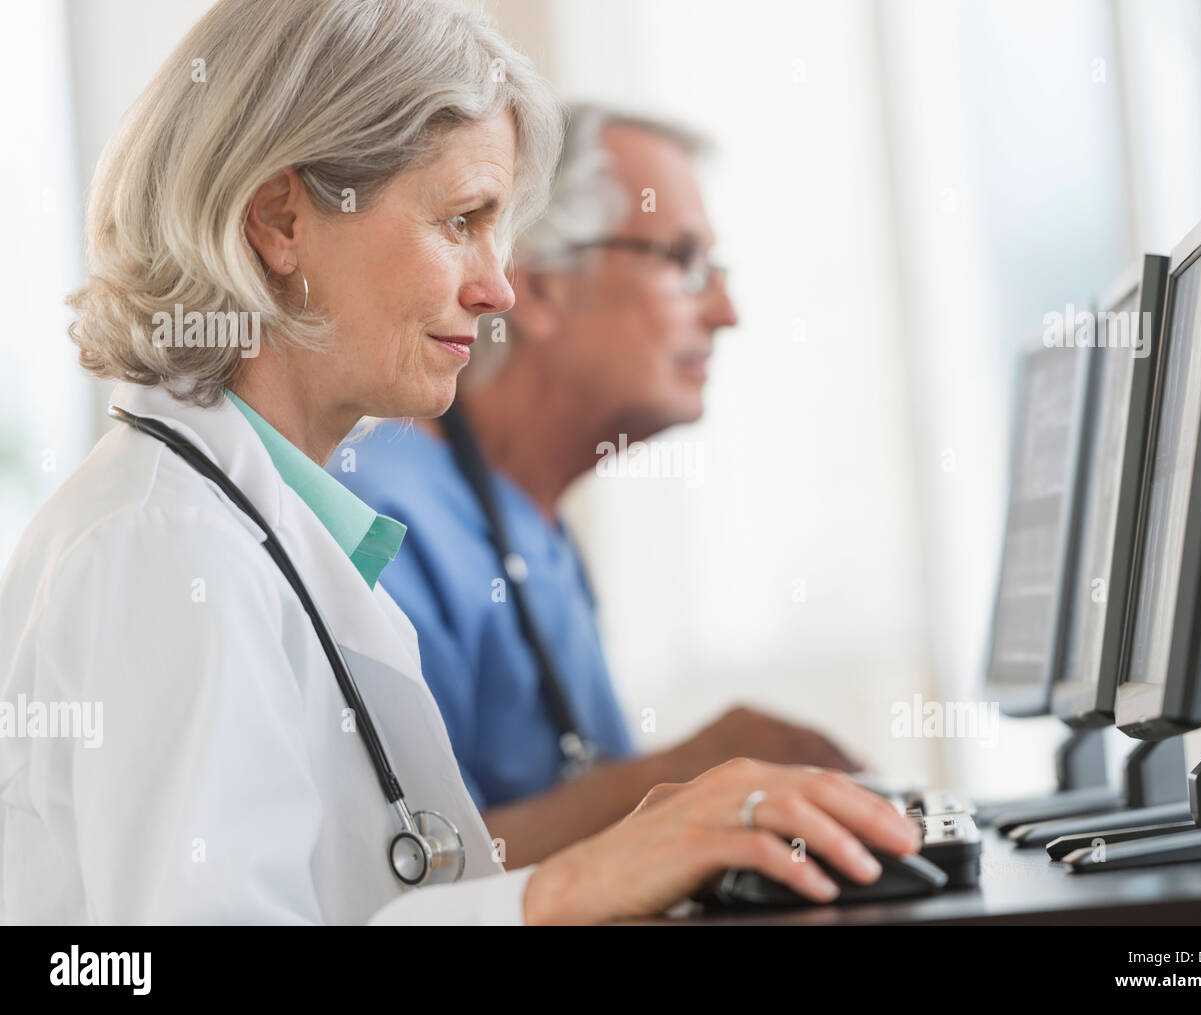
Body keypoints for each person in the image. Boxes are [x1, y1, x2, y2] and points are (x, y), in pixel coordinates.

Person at [0, 0, 917, 926]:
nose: (498, 288)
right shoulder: (167, 545)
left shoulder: (272, 528)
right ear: (281, 221)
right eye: (460, 221)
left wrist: (637, 847)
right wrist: (560, 889)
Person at [329, 105, 861, 867]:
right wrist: (692, 772)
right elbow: (408, 876)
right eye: (683, 259)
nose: (726, 311)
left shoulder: (533, 527)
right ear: (539, 291)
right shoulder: (384, 516)